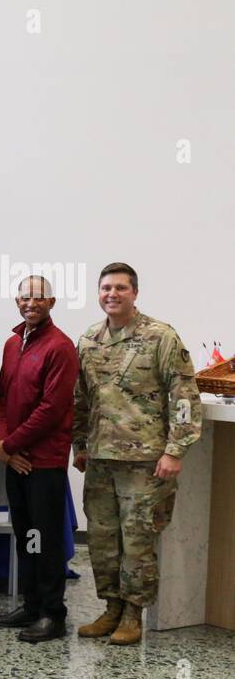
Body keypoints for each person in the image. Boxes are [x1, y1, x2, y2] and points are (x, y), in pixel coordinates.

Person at [72, 262, 202, 645]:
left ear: (135, 293)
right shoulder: (88, 340)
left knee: (138, 540)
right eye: (106, 288)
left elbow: (184, 396)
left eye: (120, 288)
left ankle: (133, 614)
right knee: (102, 538)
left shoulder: (160, 337)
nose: (112, 294)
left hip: (146, 461)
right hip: (100, 459)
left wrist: (175, 450)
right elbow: (81, 399)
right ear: (99, 293)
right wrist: (79, 445)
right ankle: (111, 607)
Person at [0, 276, 78, 643]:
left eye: (39, 298)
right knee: (27, 535)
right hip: (18, 459)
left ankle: (53, 615)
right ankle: (32, 603)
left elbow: (52, 409)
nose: (31, 303)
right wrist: (7, 443)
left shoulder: (61, 347)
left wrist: (12, 446)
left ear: (52, 302)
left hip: (44, 462)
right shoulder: (12, 344)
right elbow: (2, 397)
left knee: (46, 537)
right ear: (16, 300)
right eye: (25, 297)